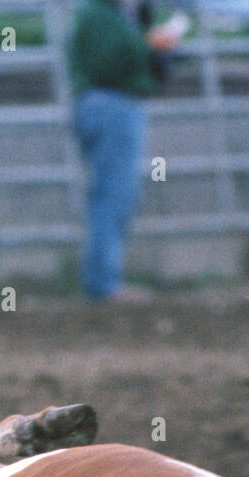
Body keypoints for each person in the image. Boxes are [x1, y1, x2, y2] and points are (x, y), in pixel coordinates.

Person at [68, 0, 183, 301]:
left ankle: (102, 281)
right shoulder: (100, 14)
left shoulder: (111, 13)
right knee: (114, 195)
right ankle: (103, 285)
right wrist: (151, 45)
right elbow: (112, 60)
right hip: (112, 104)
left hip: (107, 103)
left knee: (112, 194)